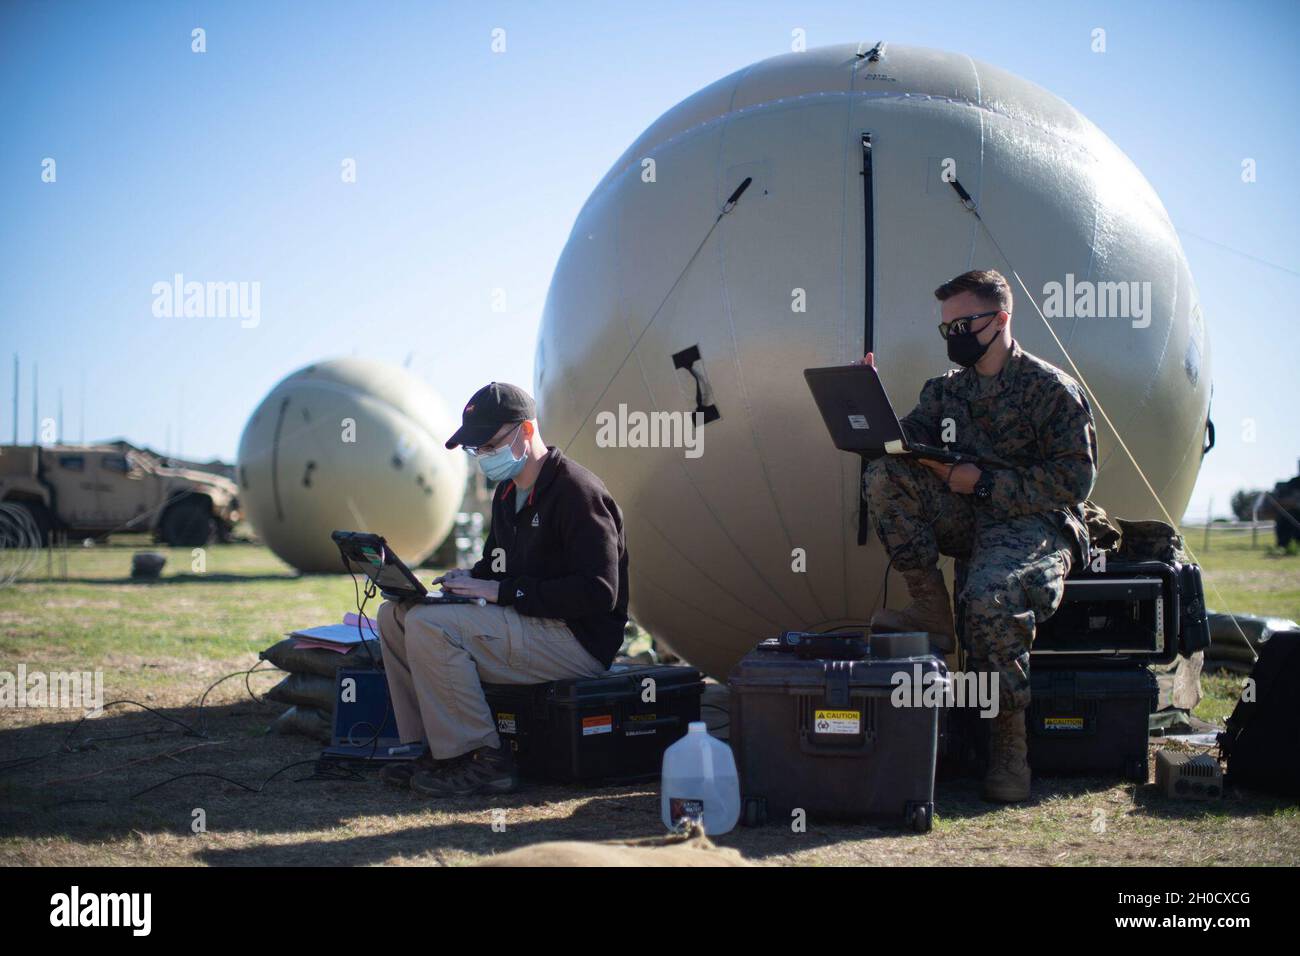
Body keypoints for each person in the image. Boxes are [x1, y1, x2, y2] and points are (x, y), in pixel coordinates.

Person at [861, 269, 1097, 802]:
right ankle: (930, 607)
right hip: (970, 517)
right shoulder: (946, 391)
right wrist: (866, 398)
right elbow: (901, 445)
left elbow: (1074, 481)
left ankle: (1008, 746)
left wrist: (987, 483)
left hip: (1033, 523)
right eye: (947, 329)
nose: (955, 338)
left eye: (964, 324)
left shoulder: (1048, 389)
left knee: (990, 600)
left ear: (1002, 319)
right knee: (884, 475)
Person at [376, 381, 629, 797]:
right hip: (529, 623)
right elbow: (498, 568)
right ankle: (431, 750)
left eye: (488, 445)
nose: (482, 458)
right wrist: (467, 581)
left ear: (526, 431)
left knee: (430, 626)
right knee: (396, 616)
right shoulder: (507, 493)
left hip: (576, 642)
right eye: (476, 450)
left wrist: (506, 593)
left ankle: (480, 760)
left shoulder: (576, 492)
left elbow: (599, 591)